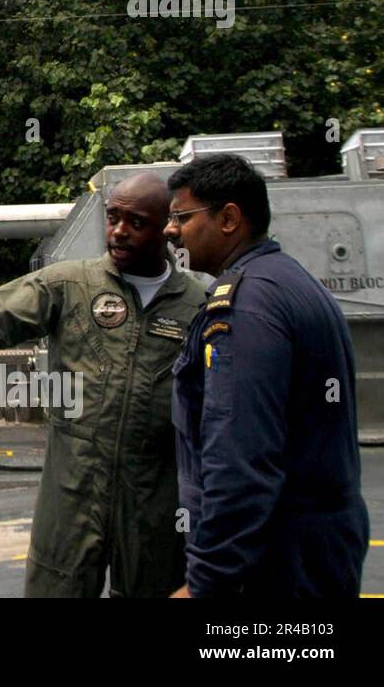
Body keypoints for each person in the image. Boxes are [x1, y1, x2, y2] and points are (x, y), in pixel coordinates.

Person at [0, 173, 205, 597]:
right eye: (113, 217)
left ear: (166, 227)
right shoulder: (69, 285)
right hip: (73, 488)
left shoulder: (197, 306)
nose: (118, 231)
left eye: (136, 222)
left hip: (156, 496)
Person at [165, 153, 370, 597]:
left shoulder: (246, 304)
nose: (170, 229)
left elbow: (240, 455)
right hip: (314, 552)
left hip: (271, 563)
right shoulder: (287, 280)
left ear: (229, 218)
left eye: (181, 216)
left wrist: (206, 581)